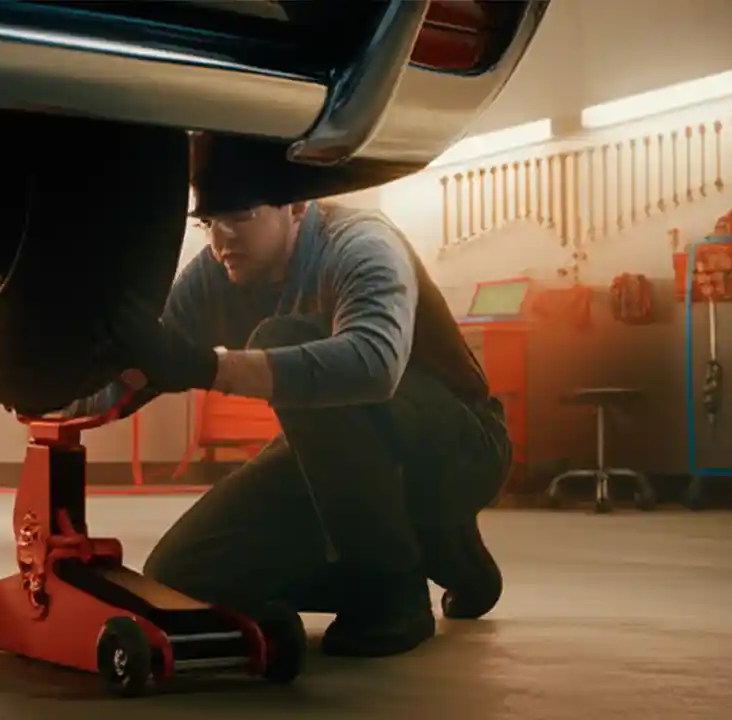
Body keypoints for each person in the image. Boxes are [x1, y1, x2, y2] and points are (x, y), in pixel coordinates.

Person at [57, 134, 512, 658]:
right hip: (343, 456)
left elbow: (374, 365)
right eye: (208, 222)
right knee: (181, 574)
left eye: (240, 215)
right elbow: (147, 370)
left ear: (296, 204)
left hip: (460, 447)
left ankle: (393, 592)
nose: (221, 237)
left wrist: (209, 367)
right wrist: (51, 397)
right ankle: (441, 550)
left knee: (285, 337)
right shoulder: (214, 273)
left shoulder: (361, 243)